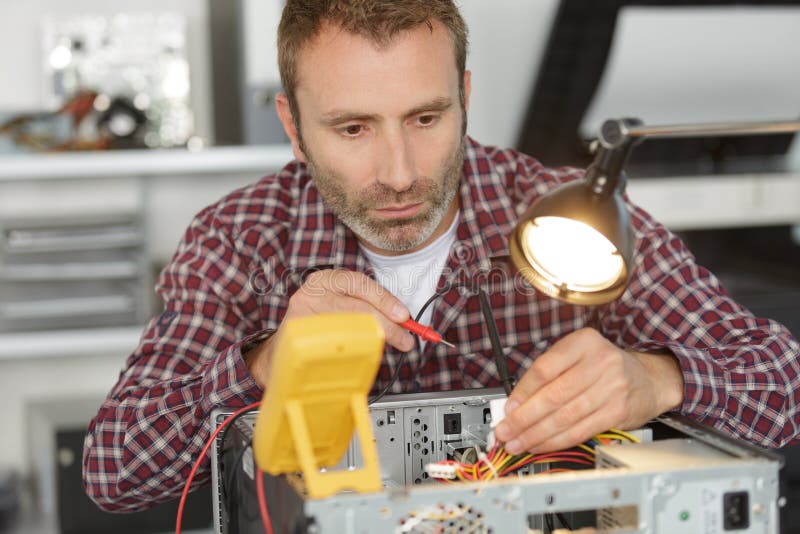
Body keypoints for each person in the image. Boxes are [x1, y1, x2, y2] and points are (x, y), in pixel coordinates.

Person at [83, 0, 800, 512]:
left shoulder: (564, 211)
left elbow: (783, 379)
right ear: (293, 127)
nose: (398, 172)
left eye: (426, 119)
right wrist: (264, 362)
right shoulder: (240, 239)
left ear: (463, 95)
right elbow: (113, 471)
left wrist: (658, 377)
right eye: (353, 128)